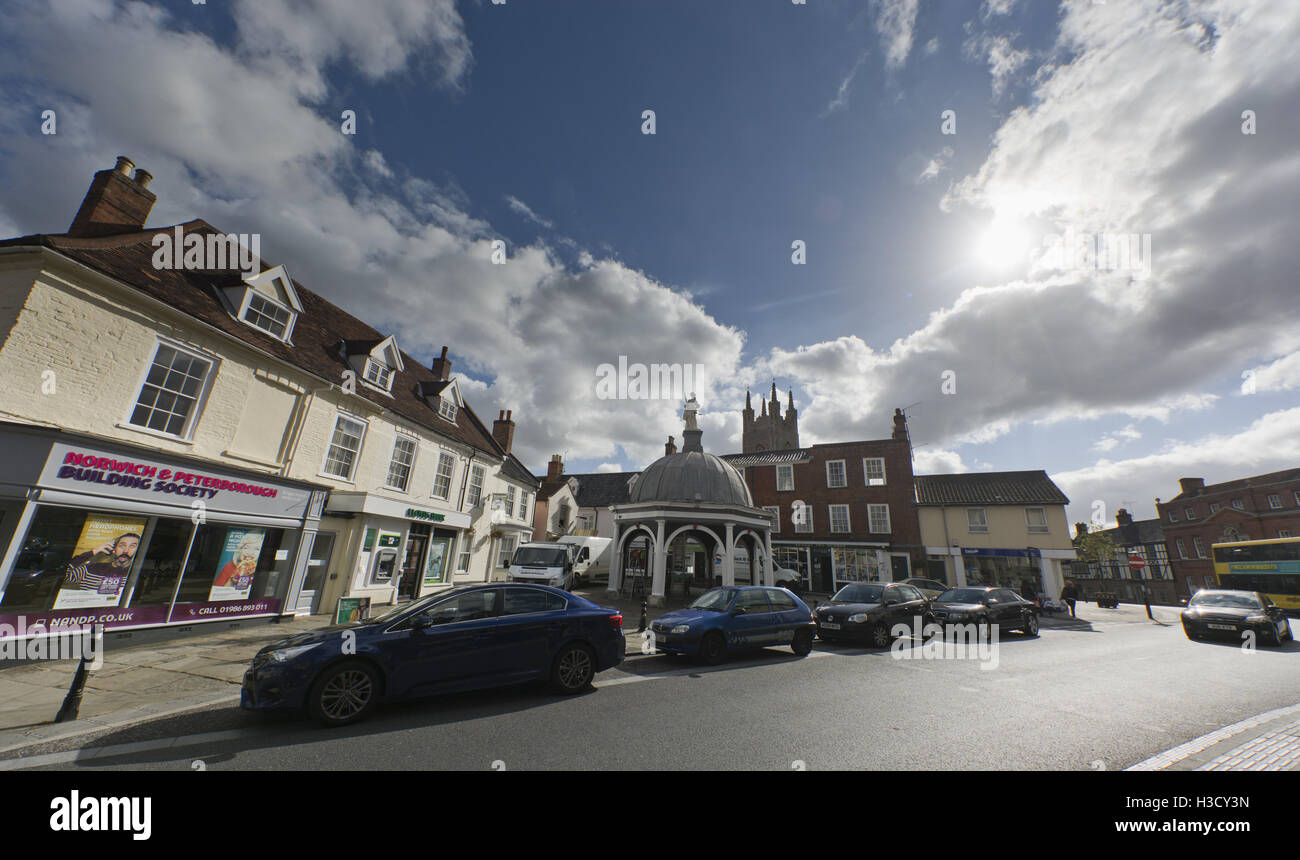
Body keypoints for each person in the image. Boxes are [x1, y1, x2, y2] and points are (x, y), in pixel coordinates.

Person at [62, 533, 141, 593]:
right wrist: (94, 552)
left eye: (132, 546)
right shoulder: (90, 568)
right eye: (122, 546)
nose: (125, 551)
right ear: (114, 548)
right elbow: (63, 575)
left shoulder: (134, 574)